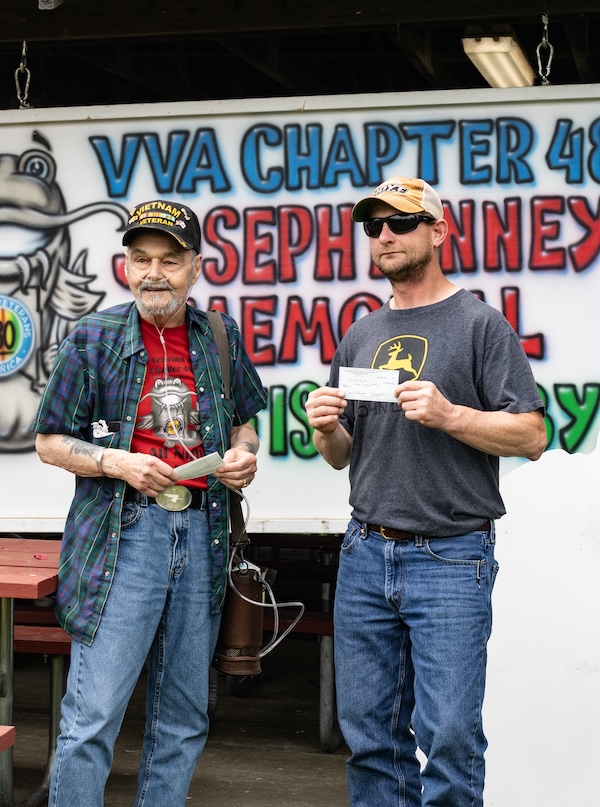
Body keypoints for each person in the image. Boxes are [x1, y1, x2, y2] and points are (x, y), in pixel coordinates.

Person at [305, 177, 547, 807]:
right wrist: (326, 429)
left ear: (438, 232)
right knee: (370, 739)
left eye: (401, 222)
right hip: (365, 553)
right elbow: (342, 457)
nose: (385, 235)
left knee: (450, 738)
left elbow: (532, 434)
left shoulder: (480, 325)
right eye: (374, 226)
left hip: (451, 556)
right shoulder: (361, 333)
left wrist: (451, 415)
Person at [32, 198, 267, 807]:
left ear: (195, 267)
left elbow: (244, 422)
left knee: (184, 718)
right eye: (141, 259)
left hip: (202, 533)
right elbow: (49, 442)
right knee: (92, 718)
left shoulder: (220, 334)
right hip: (123, 535)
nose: (154, 273)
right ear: (126, 266)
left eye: (169, 260)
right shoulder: (92, 339)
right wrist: (118, 462)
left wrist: (244, 454)